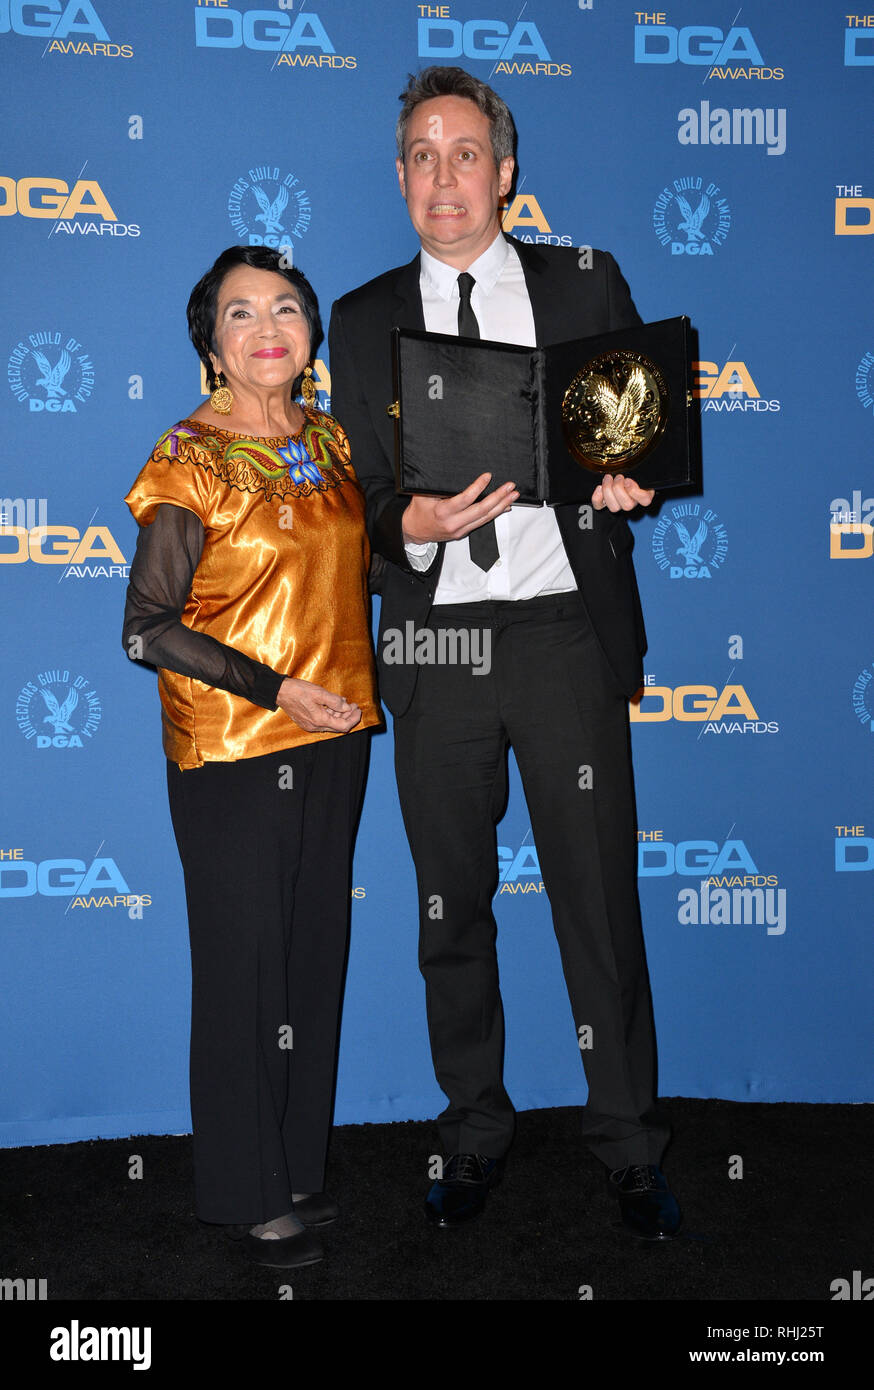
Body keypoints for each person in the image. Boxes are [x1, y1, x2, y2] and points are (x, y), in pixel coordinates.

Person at [328, 67, 681, 1239]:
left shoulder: (586, 285)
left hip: (560, 634)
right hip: (433, 640)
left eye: (465, 152)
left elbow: (627, 440)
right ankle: (472, 1126)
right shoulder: (363, 314)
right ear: (399, 177)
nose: (443, 175)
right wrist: (408, 525)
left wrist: (629, 481)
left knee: (596, 898)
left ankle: (629, 1141)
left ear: (506, 170)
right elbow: (362, 500)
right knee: (450, 907)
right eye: (421, 155)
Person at [122, 245, 381, 1268]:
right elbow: (146, 626)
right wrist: (275, 690)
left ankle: (294, 1166)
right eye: (239, 313)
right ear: (211, 345)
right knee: (244, 972)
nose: (266, 325)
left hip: (336, 736)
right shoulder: (189, 455)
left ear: (310, 333)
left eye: (284, 307)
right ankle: (245, 1192)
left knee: (313, 957)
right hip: (234, 749)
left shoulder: (330, 440)